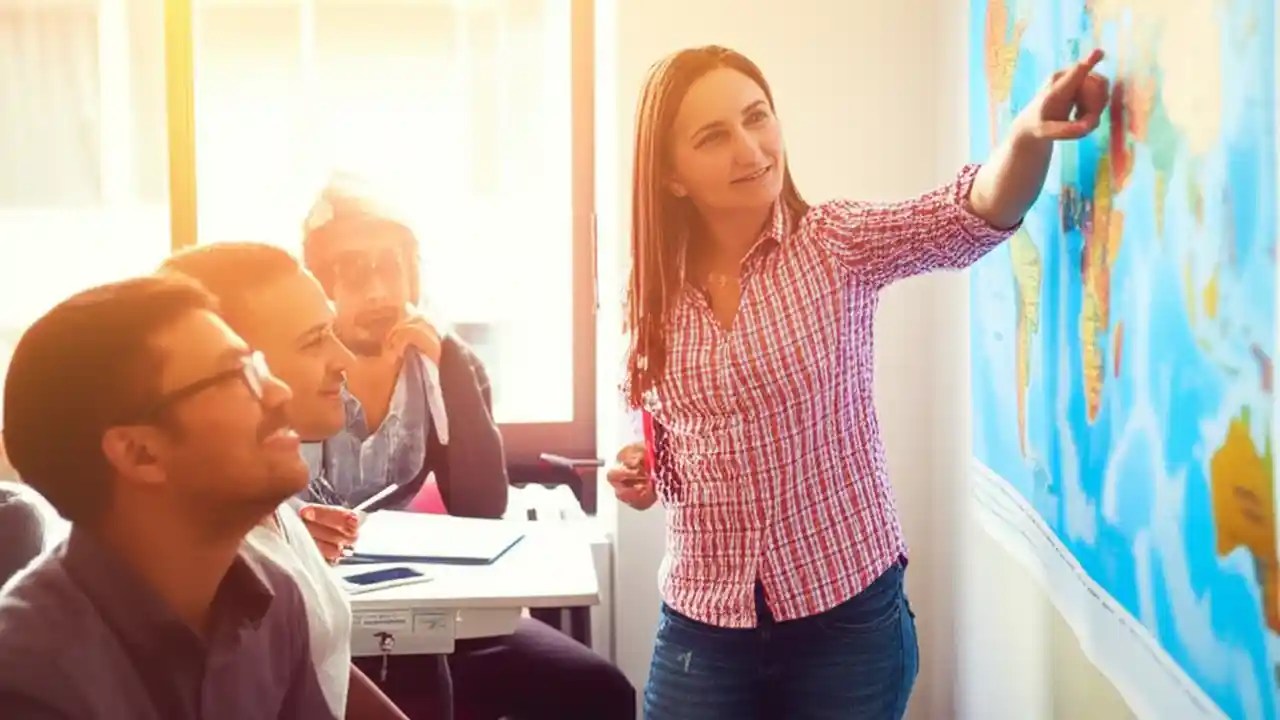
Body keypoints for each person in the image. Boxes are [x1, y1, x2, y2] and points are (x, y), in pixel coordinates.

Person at [606, 45, 1110, 719]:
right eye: (713, 136)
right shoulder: (649, 291)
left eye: (758, 117)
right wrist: (640, 470)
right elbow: (662, 433)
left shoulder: (833, 243)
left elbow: (969, 213)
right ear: (671, 176)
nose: (751, 149)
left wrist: (1024, 134)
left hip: (843, 618)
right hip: (703, 623)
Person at [301, 177, 638, 720]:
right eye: (353, 271)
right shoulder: (290, 370)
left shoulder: (440, 367)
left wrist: (451, 364)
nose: (378, 291)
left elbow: (481, 506)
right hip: (312, 612)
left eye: (391, 267)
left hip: (417, 610)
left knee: (594, 688)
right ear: (317, 284)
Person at [0, 275, 334, 718]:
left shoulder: (271, 598)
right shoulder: (28, 681)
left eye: (259, 365)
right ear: (140, 453)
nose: (279, 391)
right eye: (240, 374)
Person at [160, 242, 430, 719]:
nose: (343, 358)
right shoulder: (211, 570)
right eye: (313, 339)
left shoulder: (272, 508)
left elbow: (321, 664)